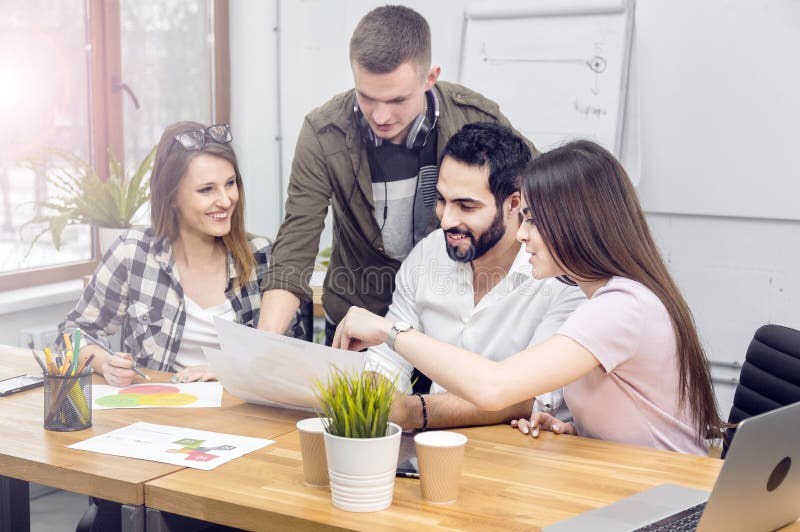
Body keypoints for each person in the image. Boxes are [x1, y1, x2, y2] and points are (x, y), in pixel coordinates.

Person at [333, 140, 723, 455]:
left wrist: (389, 331)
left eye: (534, 220)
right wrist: (578, 430)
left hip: (668, 496)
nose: (522, 234)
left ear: (576, 224)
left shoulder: (622, 307)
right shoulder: (603, 297)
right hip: (635, 485)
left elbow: (494, 387)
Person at [258, 5, 535, 350]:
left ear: (430, 78)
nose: (381, 116)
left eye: (397, 100)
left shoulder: (473, 117)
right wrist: (260, 350)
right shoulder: (324, 132)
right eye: (367, 98)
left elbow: (545, 194)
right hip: (357, 321)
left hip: (443, 322)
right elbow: (295, 245)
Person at [365, 123, 584, 430]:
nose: (446, 221)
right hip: (436, 445)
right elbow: (386, 360)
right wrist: (372, 402)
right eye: (442, 200)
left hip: (525, 451)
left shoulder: (561, 274)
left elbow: (534, 395)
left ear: (514, 203)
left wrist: (411, 411)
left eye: (466, 206)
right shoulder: (429, 254)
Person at [58, 121, 298, 387]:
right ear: (171, 196)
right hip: (160, 406)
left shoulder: (263, 257)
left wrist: (230, 369)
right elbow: (72, 334)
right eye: (206, 189)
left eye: (230, 184)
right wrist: (105, 364)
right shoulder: (133, 253)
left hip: (240, 407)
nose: (226, 200)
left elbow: (292, 357)